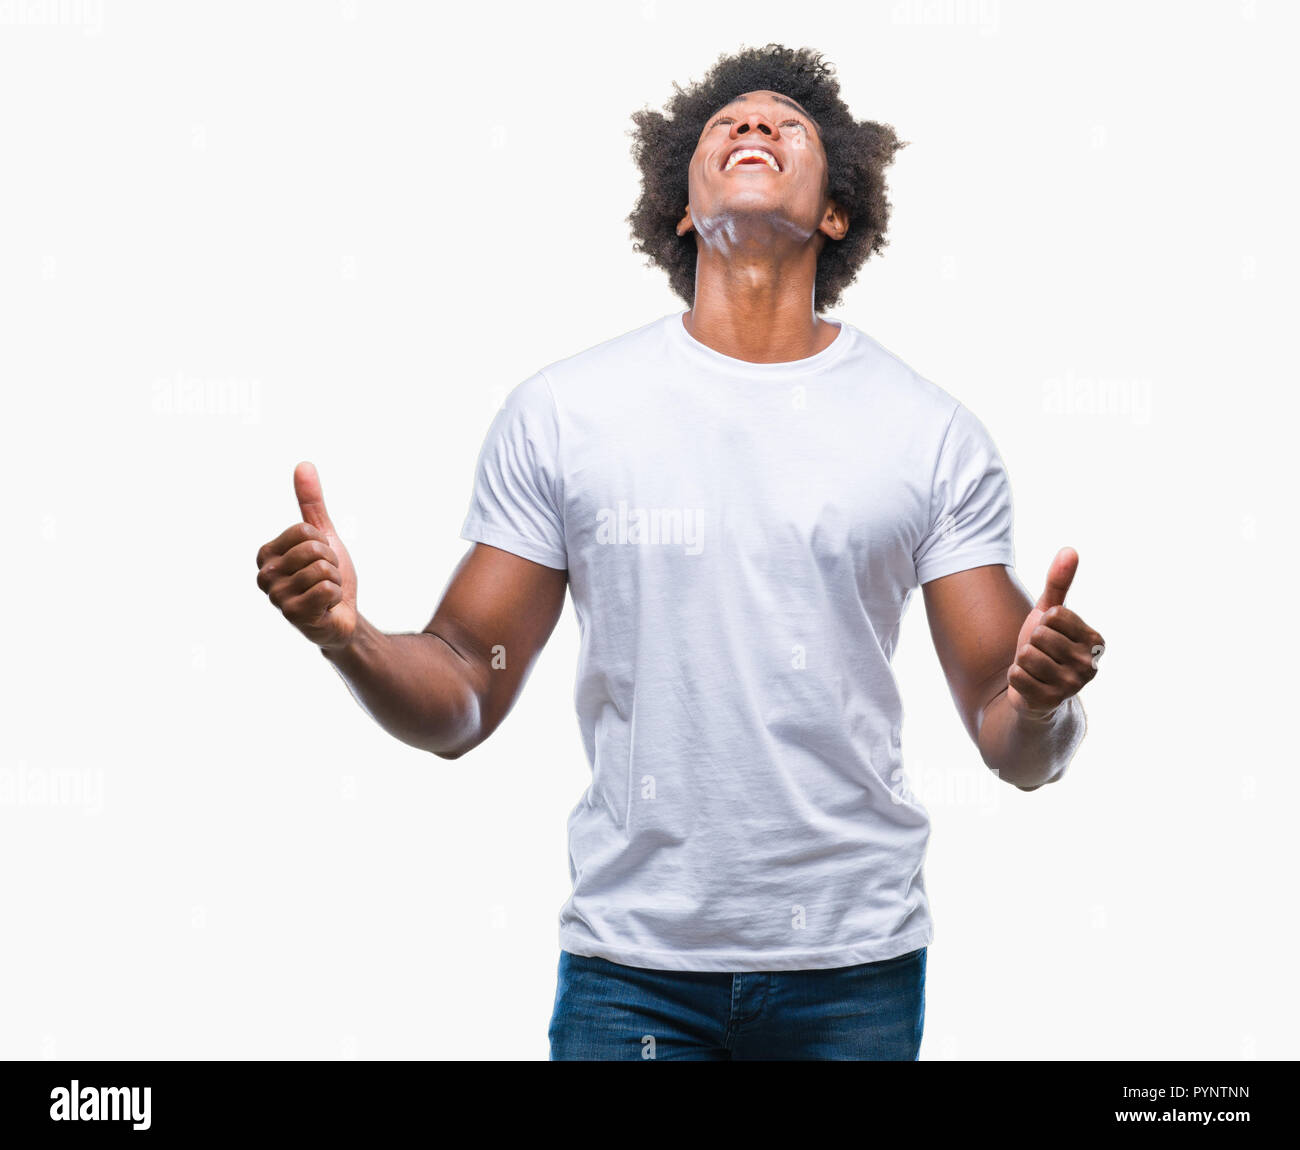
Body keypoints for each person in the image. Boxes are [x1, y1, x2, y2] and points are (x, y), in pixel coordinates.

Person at [254, 44, 1106, 1061]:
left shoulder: (926, 431)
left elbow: (1011, 743)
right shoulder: (565, 415)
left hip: (853, 970)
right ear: (678, 205)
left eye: (783, 124)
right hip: (631, 972)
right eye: (725, 126)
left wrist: (1047, 702)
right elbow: (462, 695)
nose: (752, 129)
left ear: (836, 210)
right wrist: (349, 638)